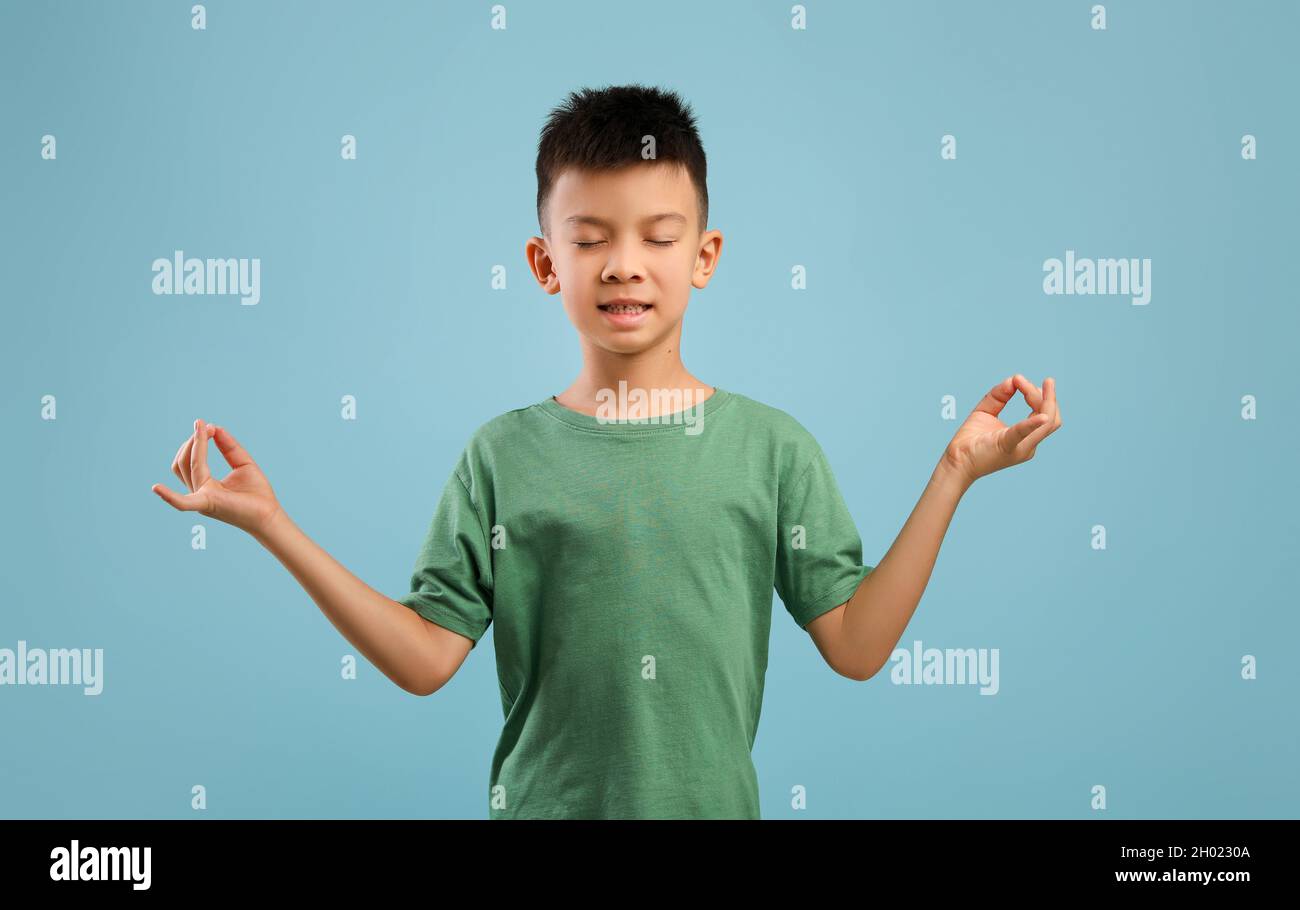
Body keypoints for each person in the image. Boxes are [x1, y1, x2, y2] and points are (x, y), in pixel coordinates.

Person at [151, 84, 1061, 819]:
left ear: (703, 256)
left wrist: (954, 477)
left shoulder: (772, 450)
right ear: (547, 265)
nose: (625, 264)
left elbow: (858, 646)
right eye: (590, 241)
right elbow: (428, 658)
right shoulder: (500, 457)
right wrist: (273, 526)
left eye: (658, 238)